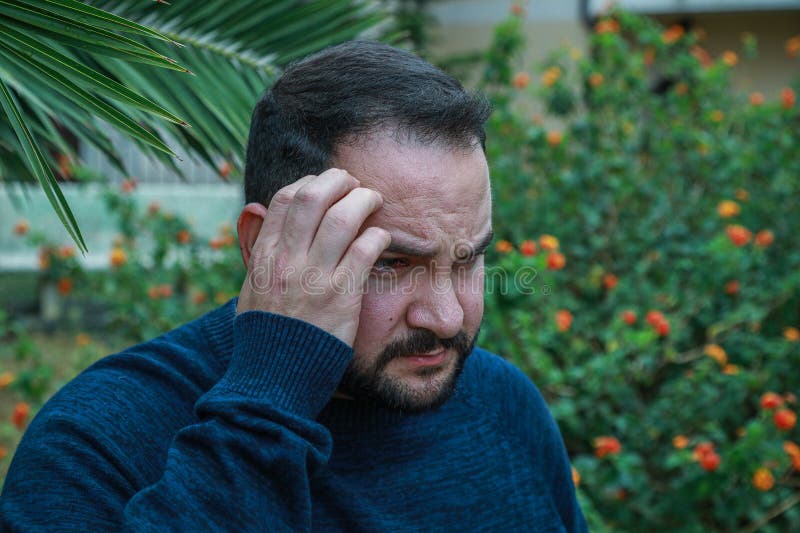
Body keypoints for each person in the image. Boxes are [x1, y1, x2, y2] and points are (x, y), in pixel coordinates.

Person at [0, 41, 587, 531]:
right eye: (389, 263)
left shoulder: (506, 408)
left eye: (467, 260)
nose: (447, 318)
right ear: (263, 244)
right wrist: (272, 397)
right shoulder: (97, 444)